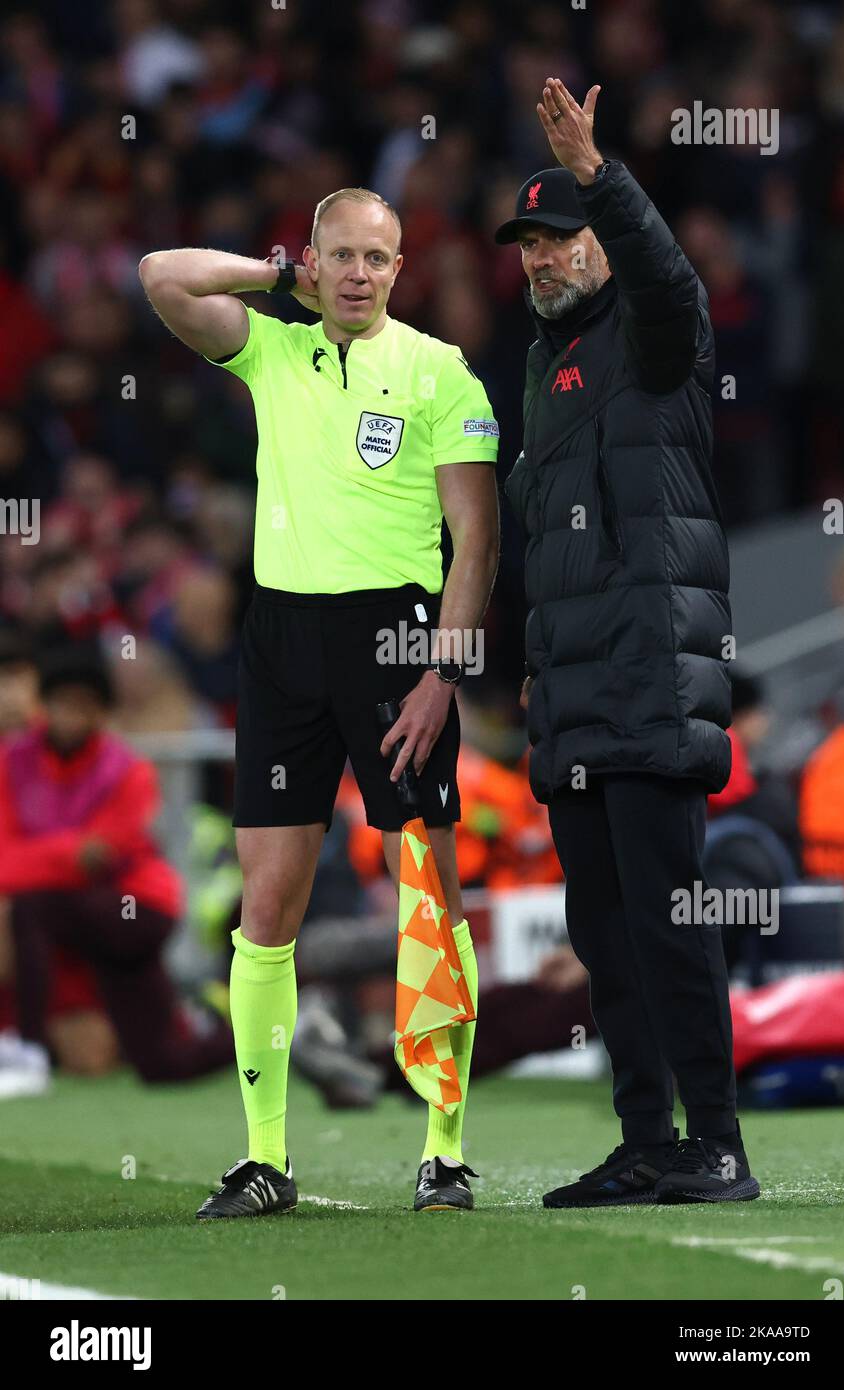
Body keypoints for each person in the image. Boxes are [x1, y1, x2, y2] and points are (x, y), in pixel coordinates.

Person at [139, 186, 500, 1218]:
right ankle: (265, 1160)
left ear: (399, 269)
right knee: (267, 907)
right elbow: (158, 275)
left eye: (372, 258)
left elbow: (474, 536)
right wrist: (266, 279)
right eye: (334, 255)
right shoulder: (271, 349)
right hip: (281, 639)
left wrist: (443, 669)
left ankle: (442, 1150)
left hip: (396, 639)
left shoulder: (438, 372)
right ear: (310, 259)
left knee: (428, 895)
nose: (352, 273)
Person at [501, 79, 759, 1206]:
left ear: (599, 243)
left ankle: (717, 1142)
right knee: (602, 934)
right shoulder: (541, 370)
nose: (540, 260)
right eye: (527, 247)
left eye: (558, 240)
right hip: (569, 694)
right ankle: (644, 1136)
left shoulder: (656, 339)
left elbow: (666, 275)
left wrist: (602, 178)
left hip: (652, 677)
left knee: (665, 921)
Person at [1, 646, 234, 1084]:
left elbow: (98, 856)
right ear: (44, 706)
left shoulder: (129, 770)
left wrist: (42, 854)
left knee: (29, 907)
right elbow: (26, 859)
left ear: (102, 713)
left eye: (85, 706)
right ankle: (262, 1035)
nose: (72, 716)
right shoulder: (12, 761)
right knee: (162, 1064)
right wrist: (69, 852)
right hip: (94, 918)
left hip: (137, 909)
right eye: (62, 704)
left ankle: (28, 1051)